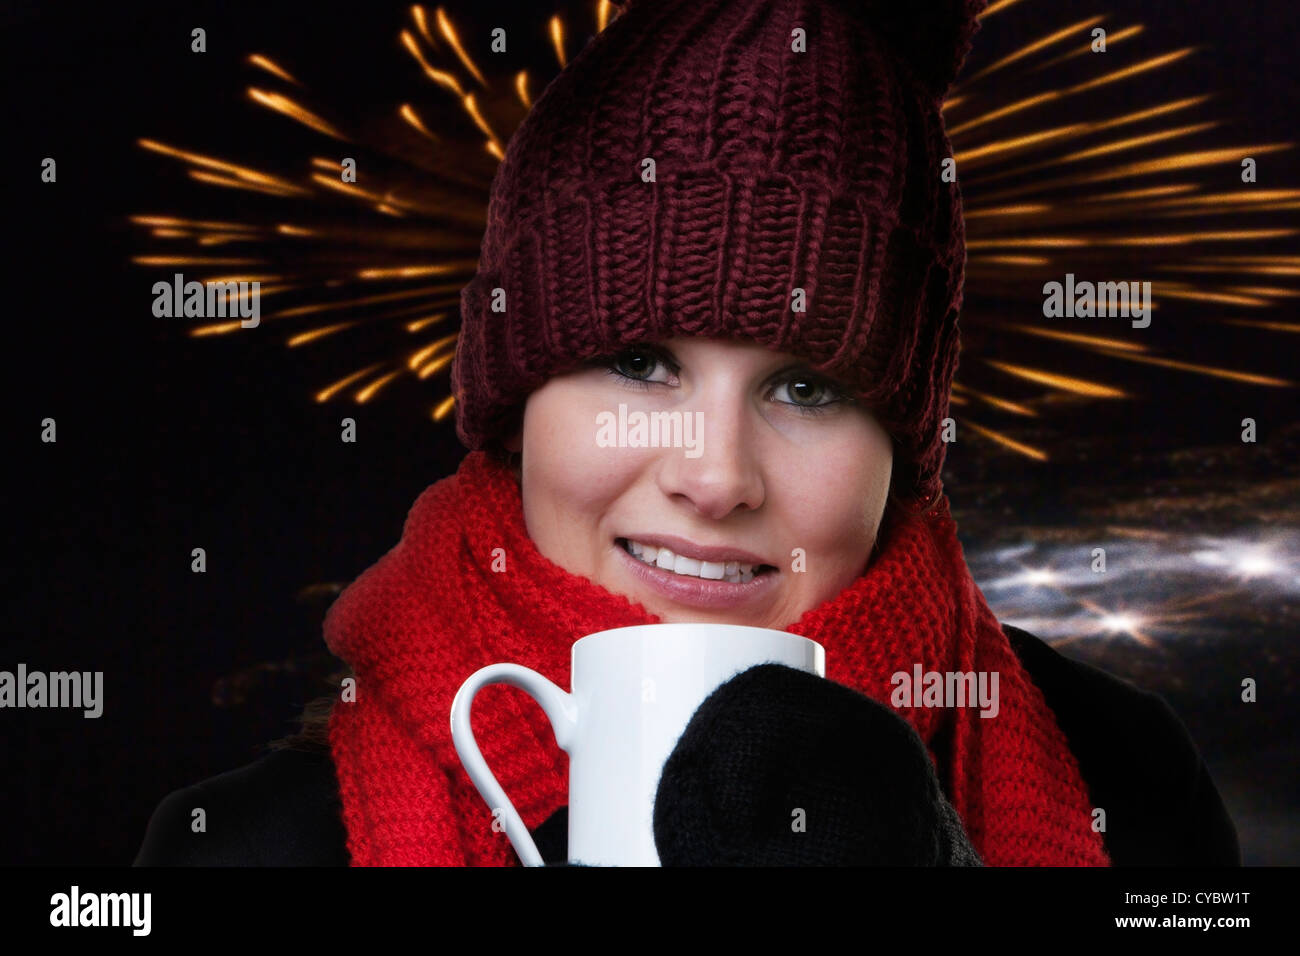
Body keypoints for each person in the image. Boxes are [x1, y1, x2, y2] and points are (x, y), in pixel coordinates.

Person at [135, 0, 1240, 867]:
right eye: (636, 362)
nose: (714, 477)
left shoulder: (1126, 777)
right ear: (515, 405)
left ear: (903, 448)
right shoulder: (251, 850)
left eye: (808, 386)